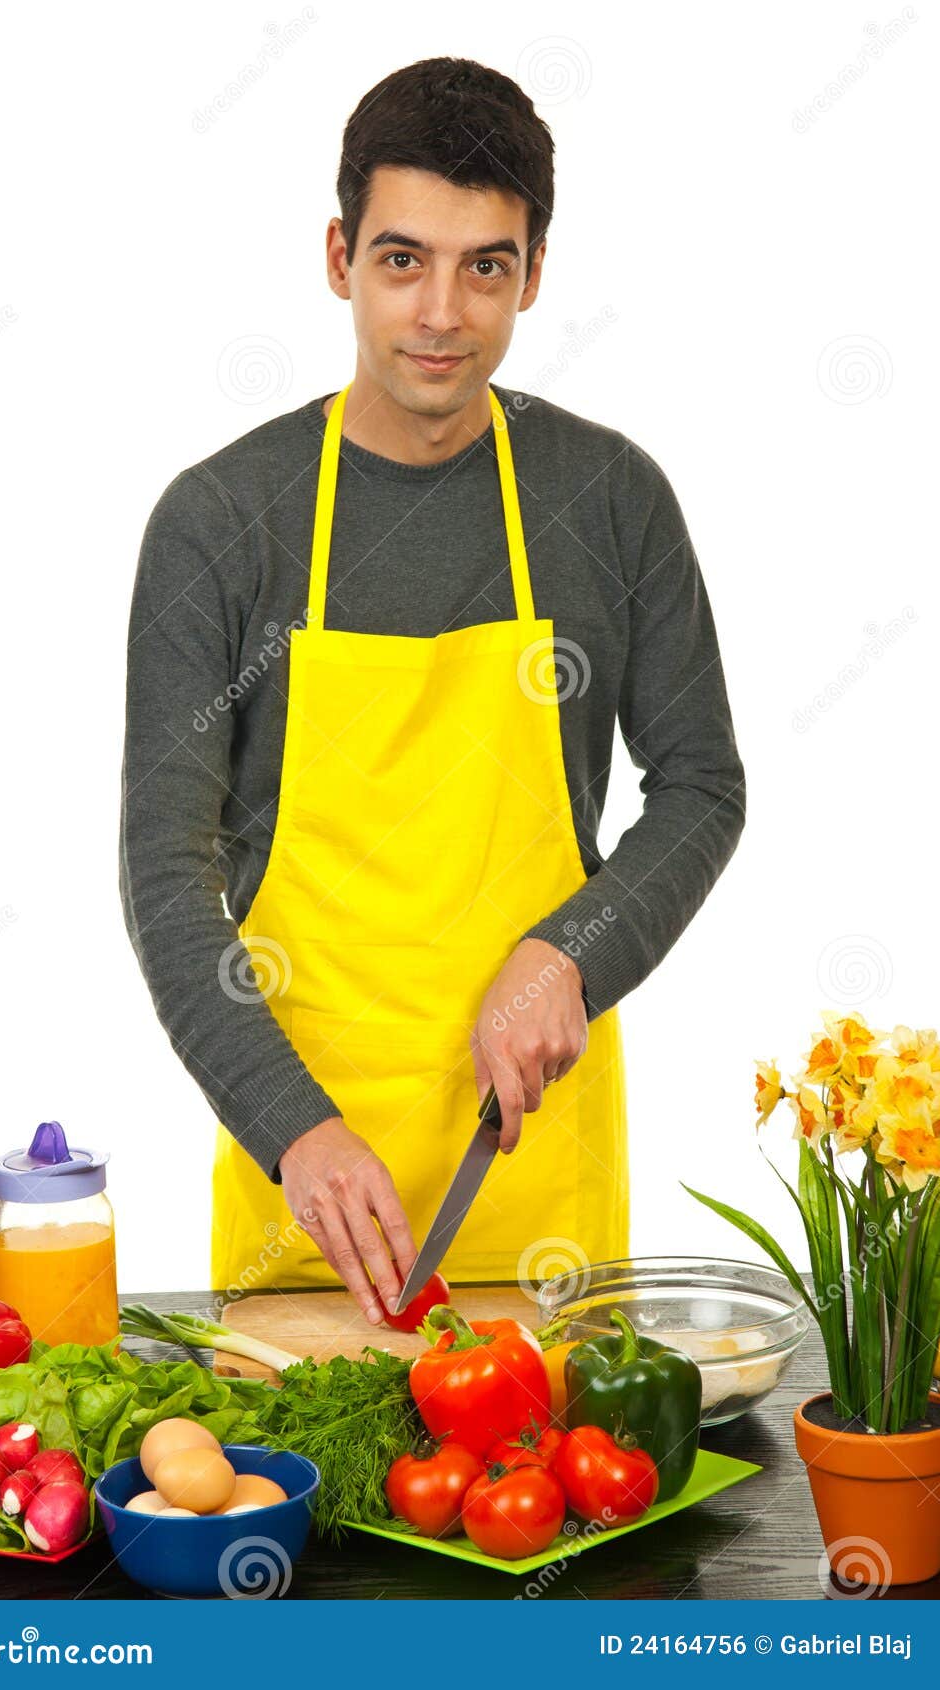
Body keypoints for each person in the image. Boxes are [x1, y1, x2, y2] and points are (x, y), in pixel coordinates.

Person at [119, 57, 746, 1324]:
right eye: (403, 260)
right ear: (340, 255)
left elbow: (701, 786)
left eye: (487, 266)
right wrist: (291, 1127)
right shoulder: (222, 520)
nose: (441, 314)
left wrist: (569, 954)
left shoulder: (610, 498)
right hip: (302, 1210)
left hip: (537, 1216)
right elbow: (164, 875)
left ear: (535, 272)